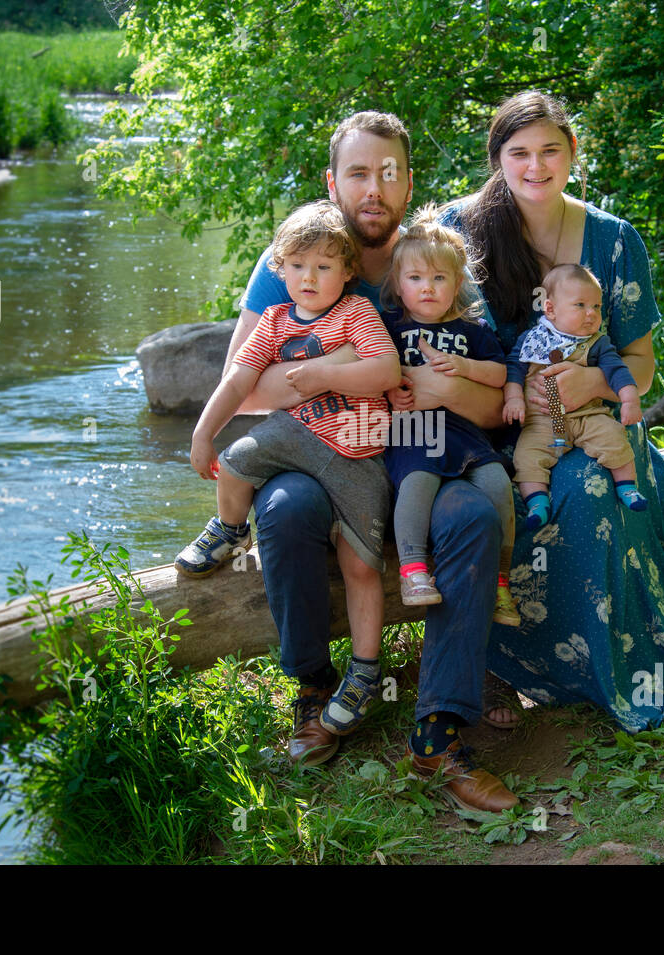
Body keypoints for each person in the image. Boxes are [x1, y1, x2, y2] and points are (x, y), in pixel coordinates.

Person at [433, 91, 664, 731]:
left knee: (597, 483)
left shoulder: (614, 240)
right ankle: (501, 661)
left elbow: (642, 362)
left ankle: (609, 660)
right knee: (522, 488)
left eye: (551, 150)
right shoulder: (459, 237)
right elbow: (436, 334)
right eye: (519, 153)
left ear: (573, 152)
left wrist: (594, 386)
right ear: (496, 160)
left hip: (596, 421)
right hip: (490, 424)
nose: (536, 167)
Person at [220, 111, 518, 811]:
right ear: (334, 182)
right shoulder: (299, 256)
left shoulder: (436, 256)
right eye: (358, 173)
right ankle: (316, 687)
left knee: (474, 513)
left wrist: (439, 386)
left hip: (428, 446)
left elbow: (490, 389)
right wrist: (342, 375)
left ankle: (438, 733)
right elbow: (245, 388)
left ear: (408, 183)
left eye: (388, 172)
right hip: (330, 450)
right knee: (286, 507)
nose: (373, 188)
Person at [176, 200, 402, 736]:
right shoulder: (275, 321)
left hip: (358, 447)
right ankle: (230, 531)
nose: (310, 277)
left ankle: (366, 672)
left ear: (347, 273)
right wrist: (203, 432)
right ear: (279, 267)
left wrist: (320, 370)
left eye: (324, 267)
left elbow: (386, 370)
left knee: (363, 564)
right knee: (232, 463)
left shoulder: (355, 314)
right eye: (298, 265)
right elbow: (238, 382)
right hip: (298, 436)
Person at [379, 204, 519, 626]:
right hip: (413, 431)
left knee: (498, 485)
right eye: (416, 278)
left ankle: (500, 580)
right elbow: (369, 366)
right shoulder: (388, 329)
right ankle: (413, 569)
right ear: (398, 285)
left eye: (439, 278)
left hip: (466, 432)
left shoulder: (472, 330)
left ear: (458, 283)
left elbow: (502, 373)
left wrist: (466, 368)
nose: (427, 288)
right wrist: (392, 386)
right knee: (418, 482)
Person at [504, 263, 647, 527]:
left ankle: (627, 487)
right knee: (527, 456)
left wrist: (630, 400)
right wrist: (513, 398)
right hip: (541, 421)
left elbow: (618, 372)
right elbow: (513, 369)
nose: (591, 314)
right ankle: (537, 503)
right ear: (550, 309)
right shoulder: (532, 339)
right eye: (580, 305)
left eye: (596, 307)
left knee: (613, 436)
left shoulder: (597, 343)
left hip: (587, 415)